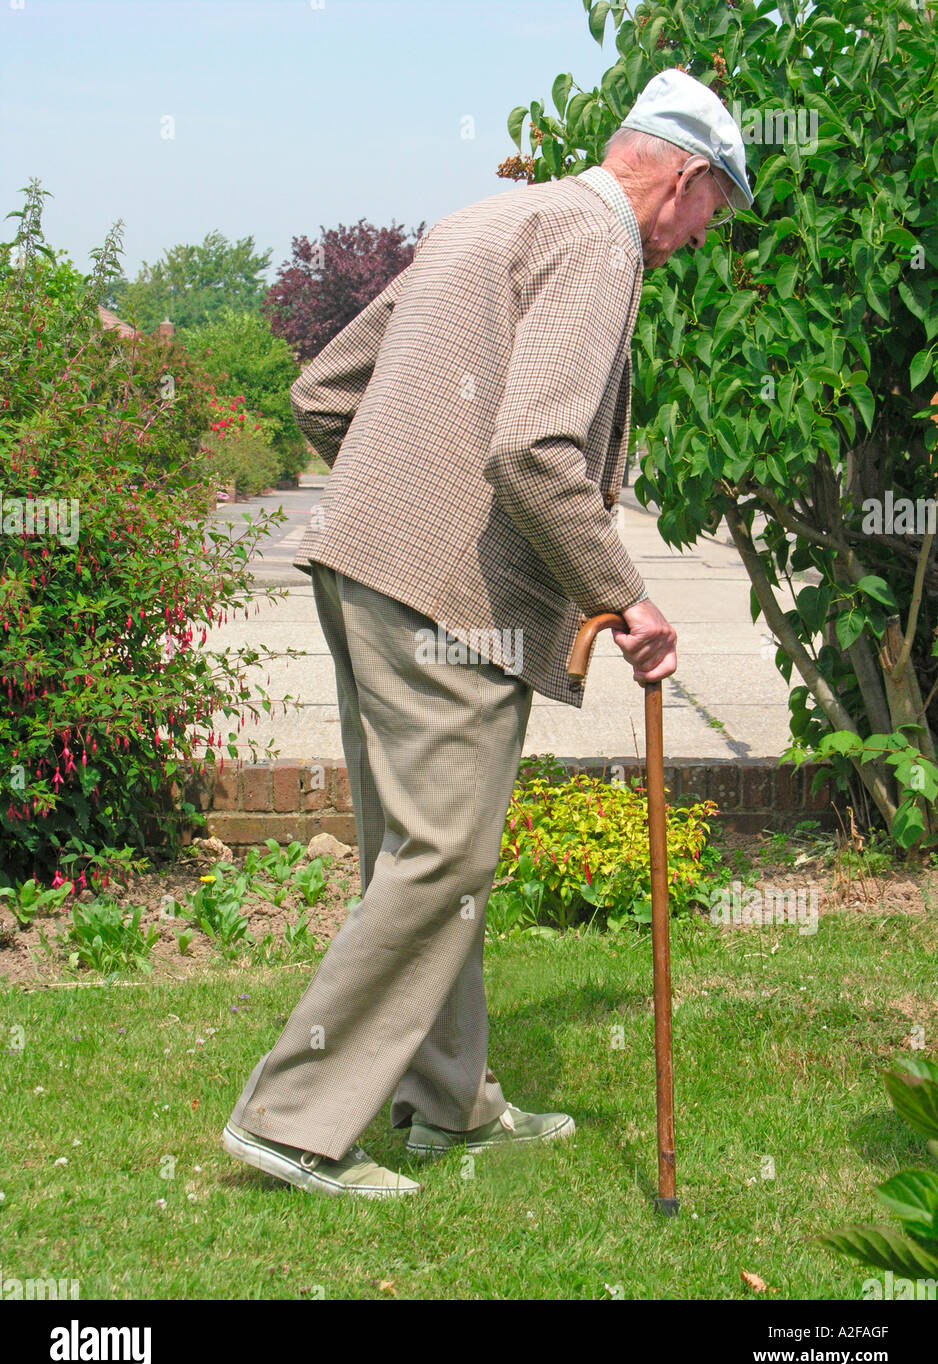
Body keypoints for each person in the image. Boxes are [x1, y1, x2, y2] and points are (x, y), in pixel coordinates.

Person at [221, 69, 753, 1198]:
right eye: (718, 208)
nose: (708, 236)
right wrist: (624, 595)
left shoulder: (483, 219)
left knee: (422, 855)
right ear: (687, 176)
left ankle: (447, 1101)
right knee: (445, 856)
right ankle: (291, 1120)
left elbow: (324, 392)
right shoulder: (599, 241)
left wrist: (400, 491)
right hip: (444, 602)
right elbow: (533, 451)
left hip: (360, 570)